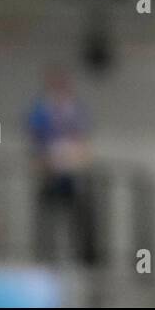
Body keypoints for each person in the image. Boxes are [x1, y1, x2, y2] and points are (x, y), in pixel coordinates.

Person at [27, 65, 99, 265]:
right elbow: (35, 137)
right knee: (48, 214)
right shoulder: (41, 110)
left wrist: (80, 157)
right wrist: (41, 160)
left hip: (72, 170)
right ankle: (45, 256)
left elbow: (83, 137)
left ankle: (82, 256)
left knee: (78, 215)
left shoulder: (75, 109)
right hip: (50, 169)